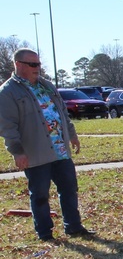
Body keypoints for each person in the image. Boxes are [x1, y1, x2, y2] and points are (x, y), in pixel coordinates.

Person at [0, 49, 93, 241]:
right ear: (18, 64)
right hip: (36, 153)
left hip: (60, 150)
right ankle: (45, 233)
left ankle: (74, 227)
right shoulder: (8, 92)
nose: (38, 68)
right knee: (40, 195)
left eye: (39, 64)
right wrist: (17, 151)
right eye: (33, 64)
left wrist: (72, 135)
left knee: (69, 189)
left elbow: (62, 113)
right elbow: (7, 126)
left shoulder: (47, 86)